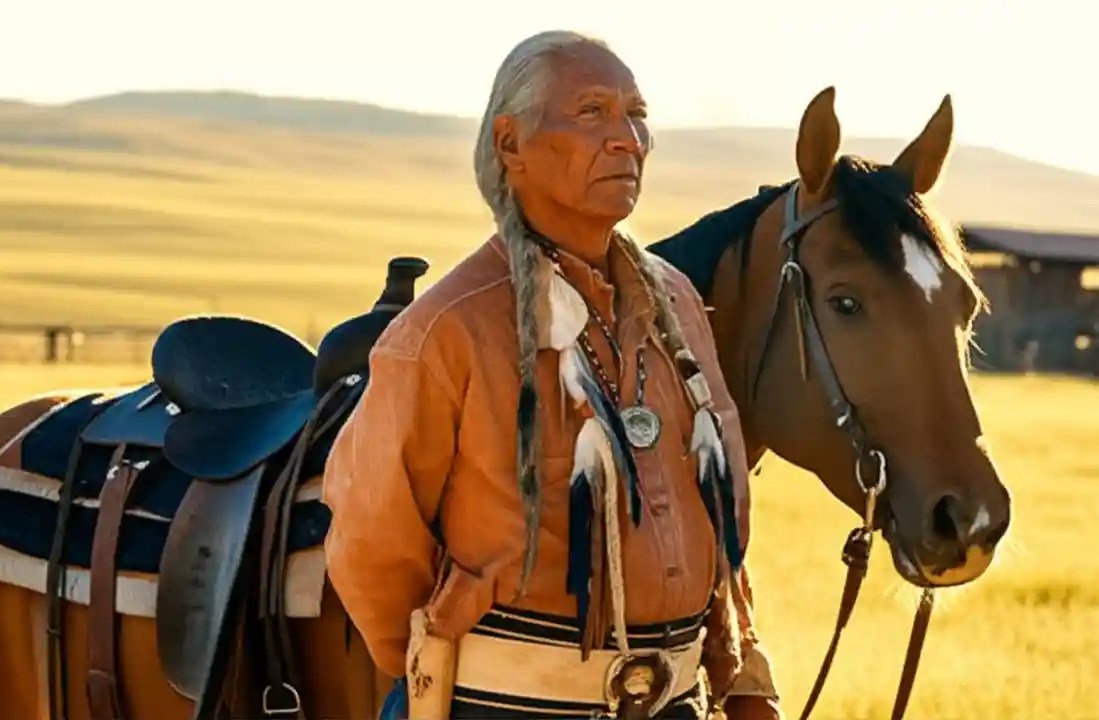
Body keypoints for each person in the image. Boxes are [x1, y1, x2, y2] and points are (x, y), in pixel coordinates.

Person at [323, 30, 782, 720]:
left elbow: (716, 517)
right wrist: (477, 672)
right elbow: (371, 547)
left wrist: (742, 677)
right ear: (511, 145)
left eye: (637, 113)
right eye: (592, 113)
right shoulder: (447, 331)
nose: (628, 137)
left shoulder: (677, 304)